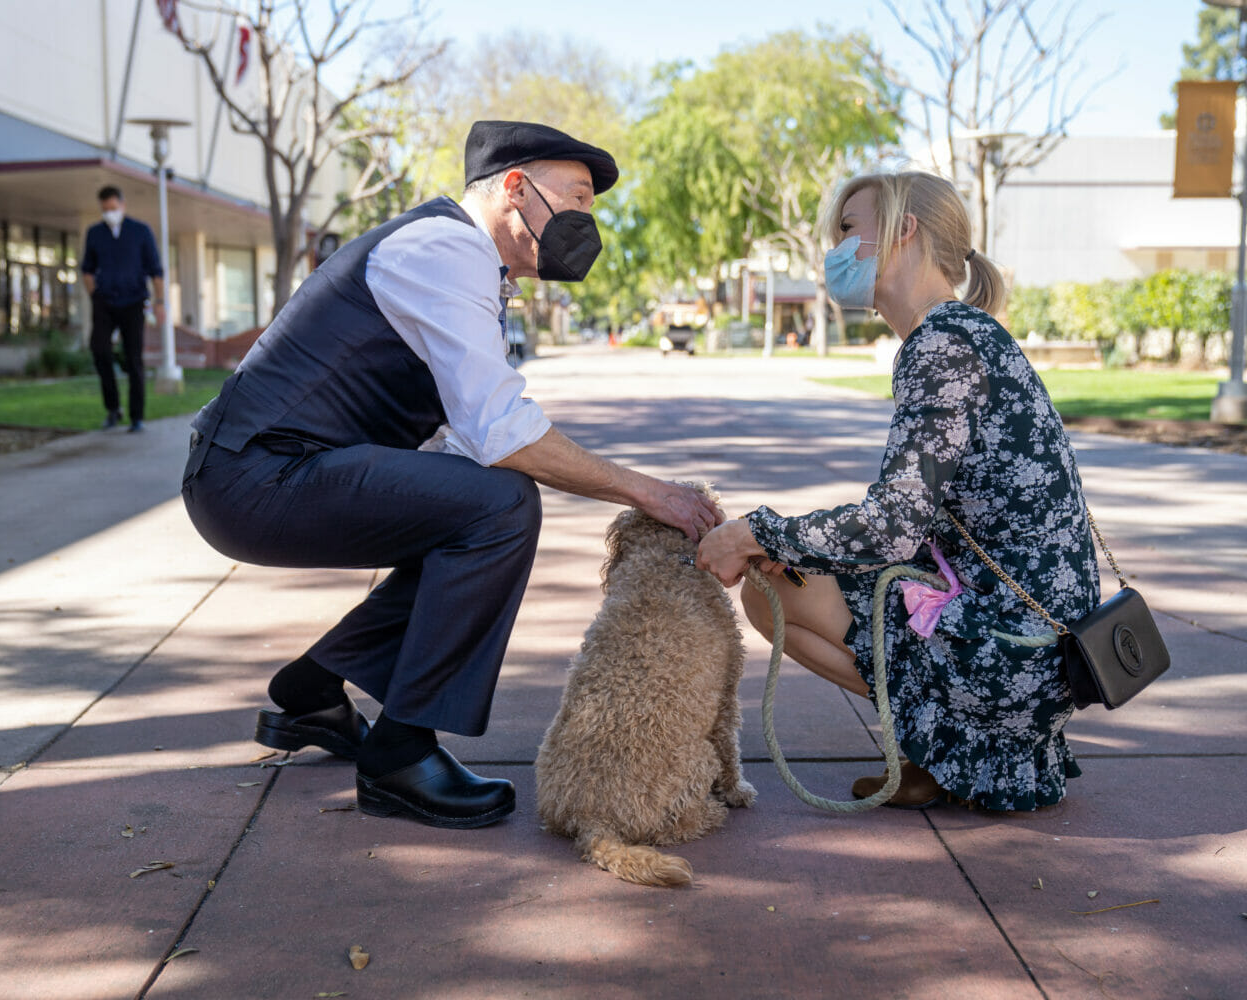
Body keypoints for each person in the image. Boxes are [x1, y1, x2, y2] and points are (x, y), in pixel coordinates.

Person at [182, 121, 722, 830]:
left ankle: (312, 688)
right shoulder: (444, 249)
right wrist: (649, 492)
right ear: (514, 190)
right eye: (578, 199)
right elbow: (503, 434)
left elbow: (465, 436)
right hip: (254, 477)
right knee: (498, 506)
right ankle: (400, 755)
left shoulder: (463, 263)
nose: (586, 223)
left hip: (262, 471)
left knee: (469, 508)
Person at [696, 169, 1100, 812]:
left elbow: (892, 525)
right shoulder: (965, 332)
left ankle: (944, 748)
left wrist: (753, 532)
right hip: (1045, 646)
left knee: (769, 590)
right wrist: (800, 547)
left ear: (903, 231)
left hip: (1016, 657)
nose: (837, 251)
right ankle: (937, 754)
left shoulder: (940, 344)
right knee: (796, 572)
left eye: (850, 230)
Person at [80, 185, 165, 432]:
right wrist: (94, 294)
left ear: (123, 205)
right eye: (105, 210)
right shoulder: (95, 233)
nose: (109, 213)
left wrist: (160, 303)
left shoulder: (140, 231)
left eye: (113, 209)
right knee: (99, 350)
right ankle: (113, 408)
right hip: (104, 301)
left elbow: (156, 271)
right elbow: (87, 269)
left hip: (134, 302)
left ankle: (136, 417)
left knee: (133, 357)